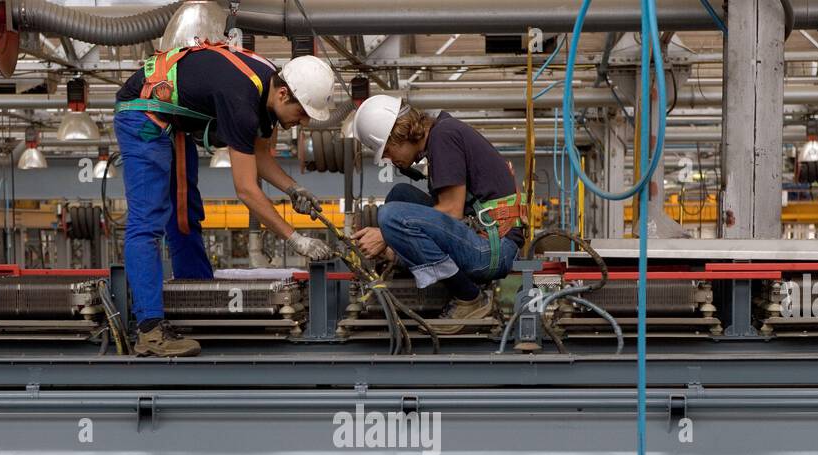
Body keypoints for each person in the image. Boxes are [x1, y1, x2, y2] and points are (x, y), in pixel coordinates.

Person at [114, 43, 339, 356]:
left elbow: (258, 152)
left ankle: (195, 307)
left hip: (171, 121)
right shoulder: (242, 98)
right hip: (144, 117)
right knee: (148, 220)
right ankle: (150, 331)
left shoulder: (266, 86)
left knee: (185, 214)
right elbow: (246, 189)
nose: (303, 122)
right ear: (284, 95)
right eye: (302, 113)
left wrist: (293, 189)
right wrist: (295, 238)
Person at [349, 95, 528, 333]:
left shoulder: (443, 137)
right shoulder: (442, 134)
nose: (389, 160)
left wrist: (385, 235)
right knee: (401, 195)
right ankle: (404, 261)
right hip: (485, 236)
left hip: (493, 251)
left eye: (388, 151)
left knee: (391, 216)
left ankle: (469, 298)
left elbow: (452, 211)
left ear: (400, 134)